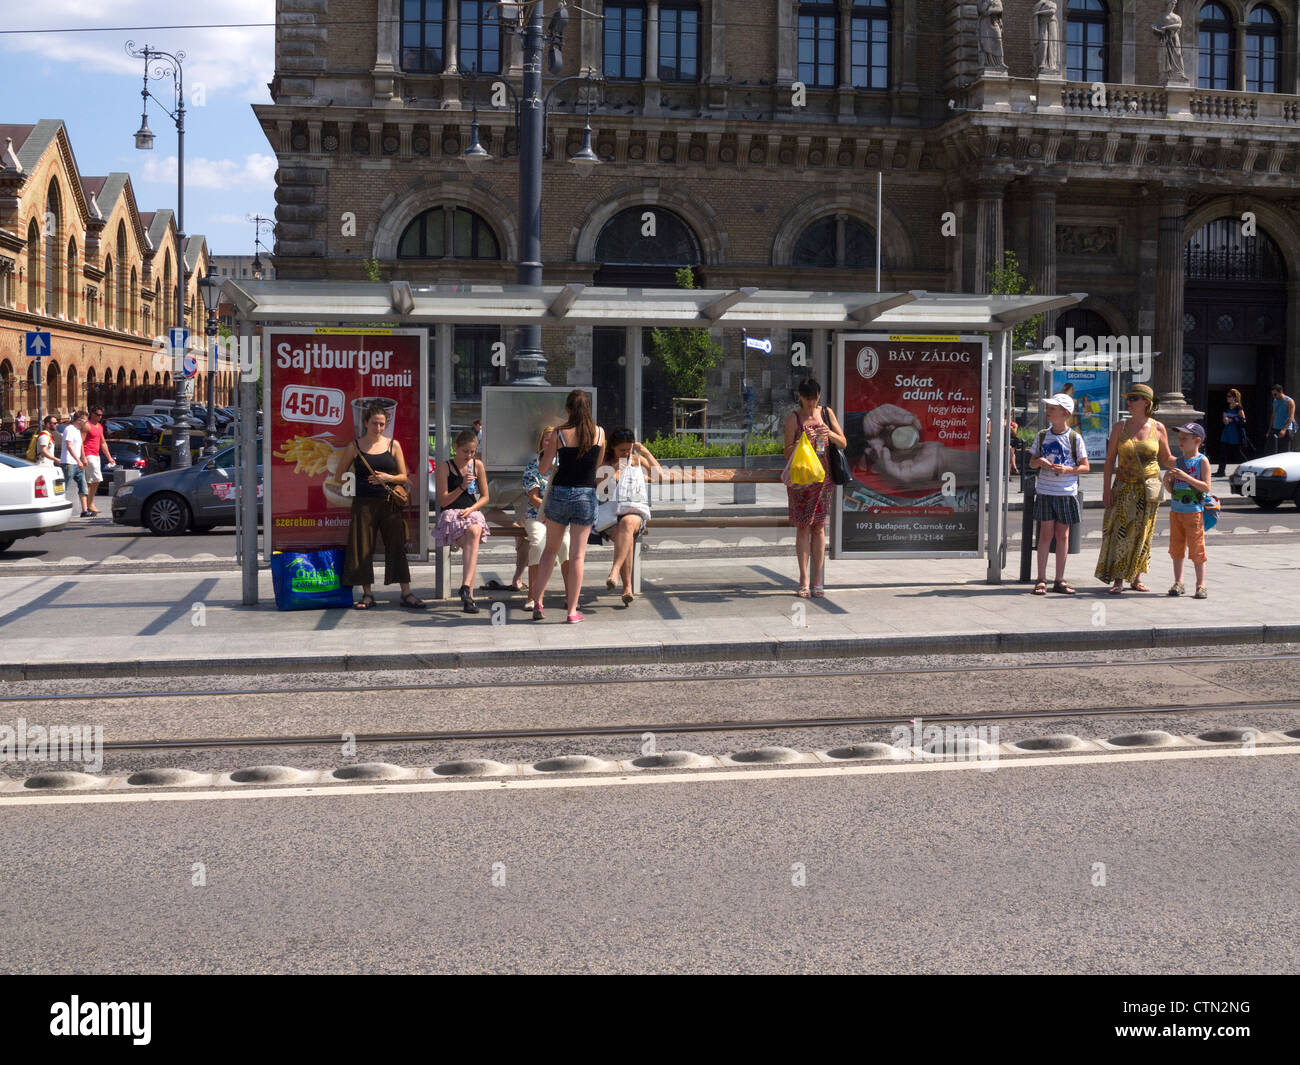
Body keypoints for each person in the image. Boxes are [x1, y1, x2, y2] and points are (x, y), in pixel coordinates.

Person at [338, 402, 424, 611]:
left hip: (389, 503)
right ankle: (367, 594)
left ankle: (406, 592)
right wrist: (356, 482)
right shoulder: (355, 446)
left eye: (382, 424)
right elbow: (339, 475)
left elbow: (404, 476)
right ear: (365, 423)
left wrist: (388, 477)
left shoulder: (393, 445)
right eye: (375, 423)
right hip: (363, 504)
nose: (378, 428)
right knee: (362, 548)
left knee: (396, 546)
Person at [530, 389, 604, 623]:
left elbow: (542, 469)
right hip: (585, 494)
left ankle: (538, 602)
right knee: (577, 556)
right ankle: (572, 611)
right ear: (588, 408)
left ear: (568, 409)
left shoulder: (560, 433)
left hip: (560, 493)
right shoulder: (600, 433)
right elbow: (597, 466)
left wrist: (554, 462)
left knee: (550, 550)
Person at [1095, 384, 1176, 594]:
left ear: (1146, 402)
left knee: (1144, 533)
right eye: (1129, 399)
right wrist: (1106, 490)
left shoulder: (1158, 428)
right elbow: (1110, 459)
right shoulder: (1119, 428)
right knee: (1122, 534)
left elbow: (1166, 458)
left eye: (1134, 399)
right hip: (1123, 487)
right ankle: (1119, 579)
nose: (1129, 402)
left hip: (1148, 489)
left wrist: (1190, 458)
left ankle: (1136, 578)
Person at [783, 378, 846, 598]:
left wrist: (829, 434)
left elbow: (843, 442)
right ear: (800, 397)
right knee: (802, 526)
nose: (811, 405)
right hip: (801, 480)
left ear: (819, 396)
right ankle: (804, 580)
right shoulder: (794, 418)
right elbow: (786, 452)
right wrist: (802, 440)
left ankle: (818, 580)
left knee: (819, 527)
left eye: (814, 400)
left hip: (823, 479)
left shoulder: (826, 413)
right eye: (807, 400)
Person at [1029, 394, 1089, 595]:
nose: (1048, 411)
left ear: (1065, 413)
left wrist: (1068, 470)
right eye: (1048, 408)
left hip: (1066, 492)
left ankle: (1059, 579)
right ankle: (1041, 578)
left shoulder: (1075, 438)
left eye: (1052, 408)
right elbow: (1031, 462)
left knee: (1063, 535)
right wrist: (1040, 462)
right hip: (1045, 490)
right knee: (1045, 534)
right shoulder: (1042, 435)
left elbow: (1085, 466)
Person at [596, 427, 662, 606]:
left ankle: (615, 571)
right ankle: (627, 588)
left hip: (634, 511)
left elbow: (659, 476)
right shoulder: (605, 461)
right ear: (613, 448)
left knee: (628, 523)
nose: (626, 452)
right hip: (609, 513)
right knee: (626, 538)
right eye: (622, 450)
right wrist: (616, 468)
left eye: (629, 449)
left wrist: (645, 452)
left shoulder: (636, 459)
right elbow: (598, 487)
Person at [434, 429, 491, 613]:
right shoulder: (444, 467)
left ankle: (466, 591)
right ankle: (468, 593)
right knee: (471, 545)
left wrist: (472, 509)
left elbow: (485, 497)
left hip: (471, 512)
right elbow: (443, 500)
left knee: (474, 533)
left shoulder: (478, 465)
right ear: (455, 448)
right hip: (451, 514)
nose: (469, 455)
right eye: (465, 451)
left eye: (472, 452)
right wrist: (462, 486)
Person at [520, 425, 570, 612]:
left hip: (561, 518)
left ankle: (570, 596)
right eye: (547, 440)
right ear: (541, 443)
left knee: (566, 547)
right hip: (537, 516)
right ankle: (532, 596)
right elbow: (533, 497)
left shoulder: (565, 466)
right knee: (538, 545)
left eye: (554, 440)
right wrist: (550, 511)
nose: (550, 443)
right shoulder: (533, 466)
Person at [1163, 422, 1211, 599]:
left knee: (1197, 548)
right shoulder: (1178, 461)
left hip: (1193, 511)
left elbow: (1206, 487)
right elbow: (1173, 490)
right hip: (1176, 510)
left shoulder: (1202, 461)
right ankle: (1179, 582)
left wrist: (1185, 477)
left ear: (1197, 440)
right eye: (1179, 438)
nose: (1180, 441)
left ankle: (1201, 585)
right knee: (1176, 548)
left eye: (1184, 438)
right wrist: (1166, 481)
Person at [80, 407, 114, 517]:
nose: (100, 417)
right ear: (92, 414)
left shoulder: (99, 427)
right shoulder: (87, 425)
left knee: (91, 481)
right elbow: (81, 442)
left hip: (96, 455)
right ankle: (90, 504)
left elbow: (103, 443)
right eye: (98, 415)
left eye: (101, 415)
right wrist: (83, 457)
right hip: (88, 454)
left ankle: (89, 504)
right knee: (97, 478)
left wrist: (109, 457)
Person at [60, 411, 90, 517]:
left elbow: (80, 445)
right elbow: (69, 446)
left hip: (77, 463)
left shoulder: (77, 430)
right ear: (79, 420)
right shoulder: (69, 430)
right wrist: (78, 460)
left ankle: (85, 511)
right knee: (65, 487)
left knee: (83, 485)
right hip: (68, 463)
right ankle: (59, 509)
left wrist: (83, 458)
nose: (86, 423)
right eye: (85, 421)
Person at [1217, 388, 1248, 476]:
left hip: (1235, 433)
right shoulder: (1227, 407)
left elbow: (1243, 420)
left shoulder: (1238, 407)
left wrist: (1231, 419)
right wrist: (1225, 420)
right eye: (1227, 396)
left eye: (1229, 396)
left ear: (1234, 398)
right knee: (1223, 451)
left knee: (1238, 452)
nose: (1227, 398)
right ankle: (1220, 471)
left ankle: (1248, 467)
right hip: (1227, 431)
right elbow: (1224, 418)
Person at [1267, 384, 1295, 453]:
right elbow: (1273, 415)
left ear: (1281, 391)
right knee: (1274, 451)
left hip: (1286, 429)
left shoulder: (1289, 401)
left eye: (1275, 394)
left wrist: (1284, 429)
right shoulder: (1275, 401)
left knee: (1284, 452)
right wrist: (1269, 430)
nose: (1274, 396)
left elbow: (1291, 417)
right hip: (1275, 429)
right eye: (1273, 395)